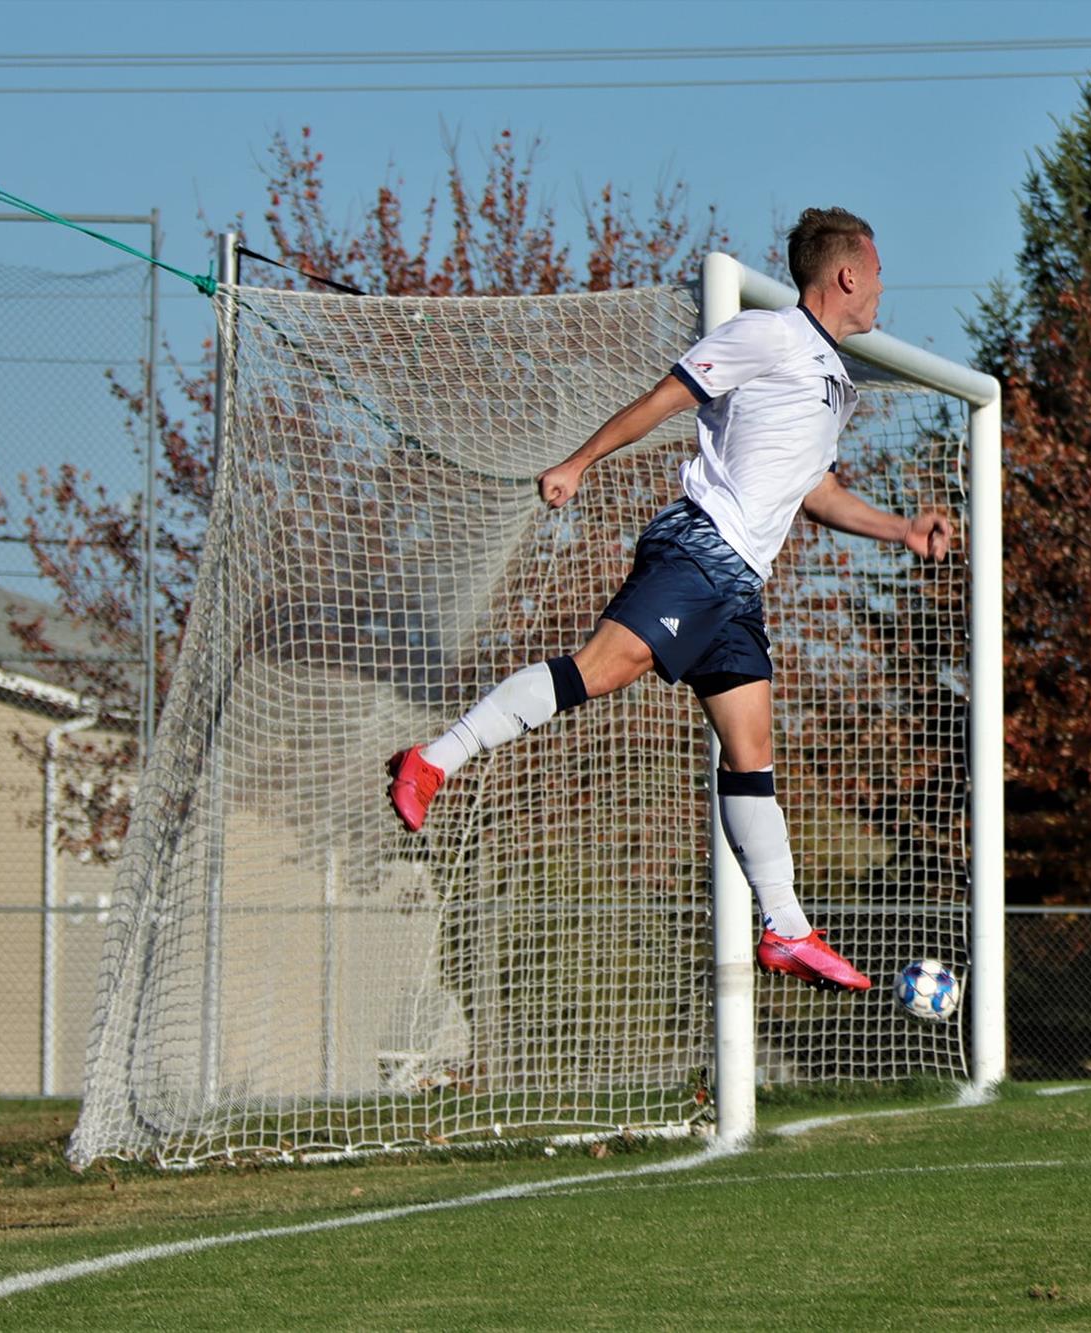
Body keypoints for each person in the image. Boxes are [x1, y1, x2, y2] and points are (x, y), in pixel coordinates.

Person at [385, 207, 952, 995]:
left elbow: (816, 491)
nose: (884, 287)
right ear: (848, 274)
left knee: (752, 752)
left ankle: (787, 928)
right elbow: (667, 397)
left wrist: (900, 529)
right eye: (879, 272)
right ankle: (432, 759)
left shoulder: (834, 380)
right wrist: (578, 461)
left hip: (740, 584)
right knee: (600, 670)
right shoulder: (768, 334)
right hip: (699, 548)